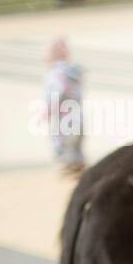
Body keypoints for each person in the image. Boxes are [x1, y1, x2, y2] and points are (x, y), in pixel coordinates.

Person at [42, 37, 86, 172]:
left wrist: (49, 109)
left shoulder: (56, 73)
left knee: (63, 145)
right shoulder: (73, 71)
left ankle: (70, 165)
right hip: (76, 116)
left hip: (64, 117)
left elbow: (59, 91)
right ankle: (77, 164)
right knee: (75, 145)